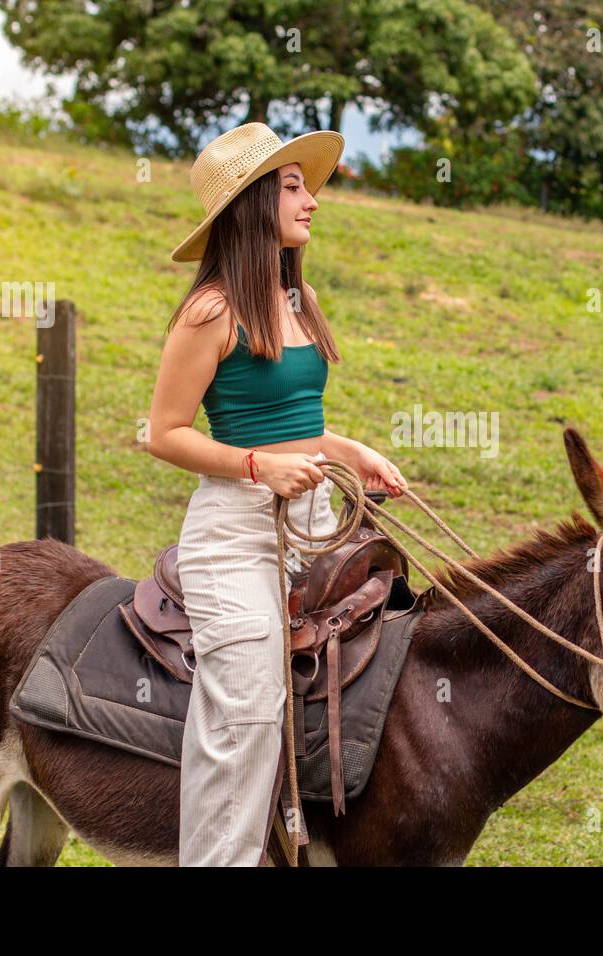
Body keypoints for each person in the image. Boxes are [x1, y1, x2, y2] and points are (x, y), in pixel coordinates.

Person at [145, 122, 408, 866]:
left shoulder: (302, 298)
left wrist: (352, 451)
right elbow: (165, 433)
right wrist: (259, 468)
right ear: (253, 204)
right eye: (292, 186)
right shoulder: (212, 311)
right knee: (252, 701)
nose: (311, 200)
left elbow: (302, 428)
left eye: (307, 184)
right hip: (236, 532)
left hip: (317, 520)